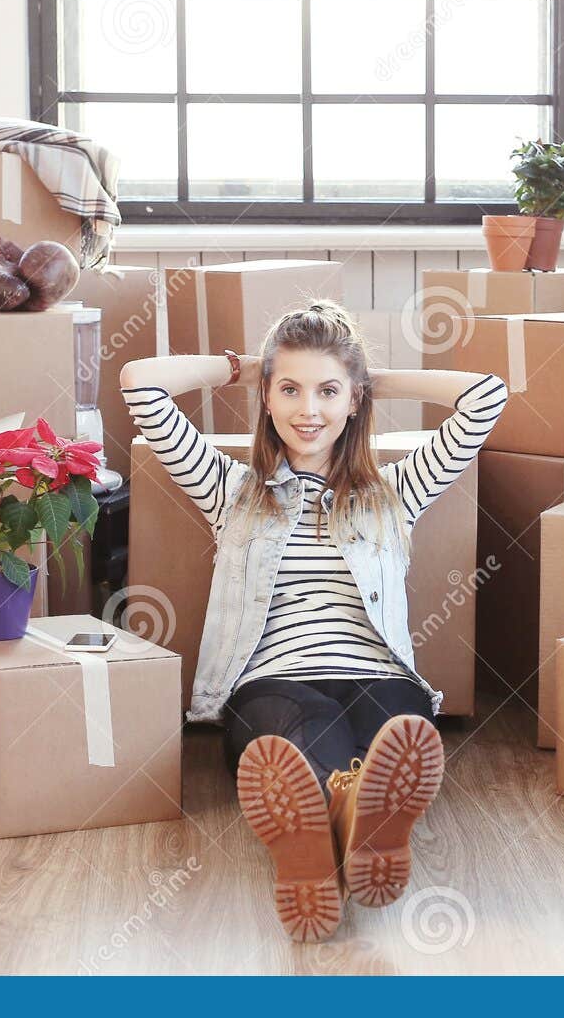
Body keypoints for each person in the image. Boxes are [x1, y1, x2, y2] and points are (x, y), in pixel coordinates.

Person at [120, 300, 506, 941]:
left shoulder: (396, 491)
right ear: (267, 399)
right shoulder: (232, 490)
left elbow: (486, 398)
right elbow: (141, 383)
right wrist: (242, 365)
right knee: (301, 730)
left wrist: (372, 379)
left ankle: (327, 834)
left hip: (379, 672)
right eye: (290, 389)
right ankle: (342, 819)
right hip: (272, 680)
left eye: (329, 392)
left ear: (353, 401)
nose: (308, 410)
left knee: (397, 729)